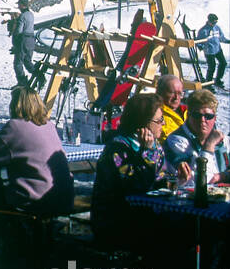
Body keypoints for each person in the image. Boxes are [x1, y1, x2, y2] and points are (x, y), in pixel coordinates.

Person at [91, 92, 184, 253]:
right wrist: (145, 153)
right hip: (117, 219)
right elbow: (134, 187)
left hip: (144, 214)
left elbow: (158, 180)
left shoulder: (155, 146)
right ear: (143, 124)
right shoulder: (118, 148)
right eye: (159, 120)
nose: (163, 124)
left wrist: (176, 180)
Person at [0, 86, 74, 218]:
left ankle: (5, 232)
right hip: (64, 197)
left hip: (35, 200)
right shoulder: (49, 125)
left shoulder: (14, 127)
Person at [164, 88, 228, 185]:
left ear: (215, 118)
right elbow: (201, 182)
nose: (202, 120)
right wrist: (208, 146)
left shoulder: (222, 139)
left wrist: (218, 177)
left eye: (208, 116)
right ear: (188, 115)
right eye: (197, 115)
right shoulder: (176, 141)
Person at [197, 14, 228, 88]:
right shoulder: (203, 30)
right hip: (209, 51)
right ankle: (208, 83)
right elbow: (198, 41)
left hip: (218, 49)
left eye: (215, 22)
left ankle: (218, 79)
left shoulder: (217, 28)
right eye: (213, 22)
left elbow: (222, 38)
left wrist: (228, 41)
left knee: (223, 63)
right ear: (209, 21)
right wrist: (200, 46)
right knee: (212, 66)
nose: (214, 24)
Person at [155, 73, 187, 141]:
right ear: (160, 92)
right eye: (172, 93)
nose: (176, 97)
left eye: (180, 93)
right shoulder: (155, 114)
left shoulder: (188, 112)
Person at [10, 0, 36, 83]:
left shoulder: (23, 16)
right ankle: (39, 75)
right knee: (27, 61)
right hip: (31, 40)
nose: (18, 7)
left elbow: (19, 31)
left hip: (23, 40)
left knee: (18, 63)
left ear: (22, 5)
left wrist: (15, 40)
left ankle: (22, 82)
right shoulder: (31, 15)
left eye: (19, 5)